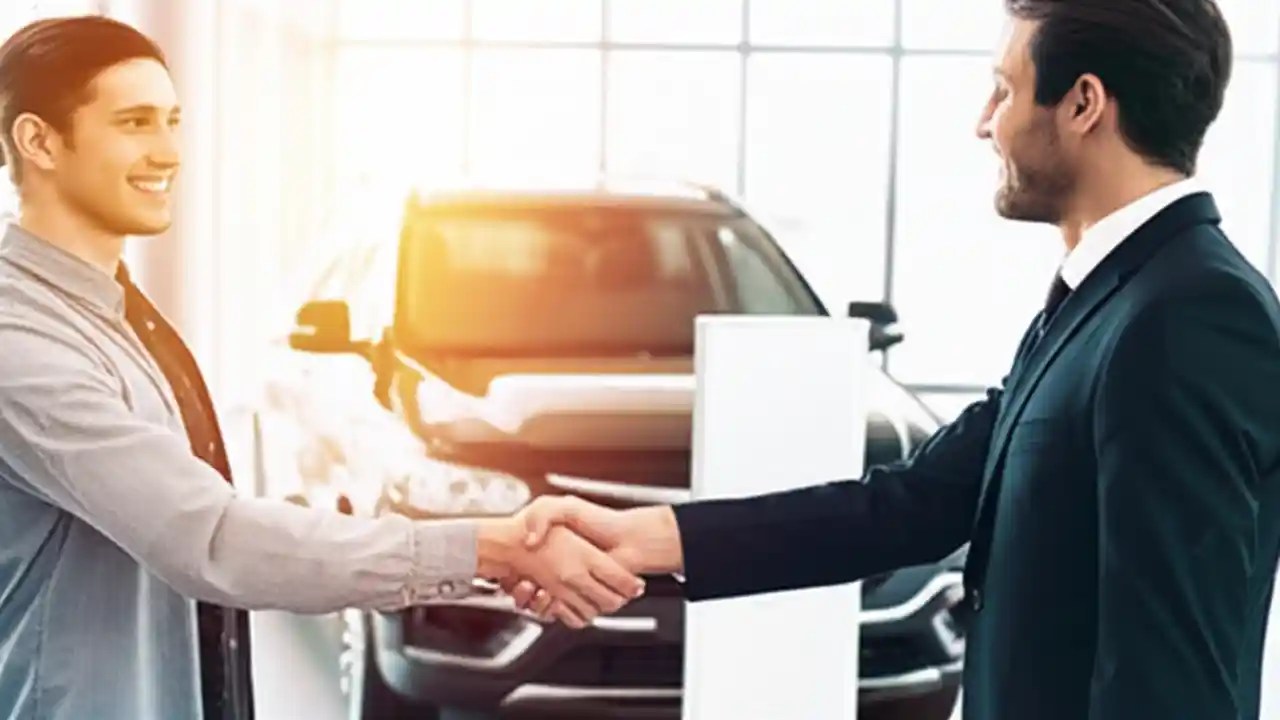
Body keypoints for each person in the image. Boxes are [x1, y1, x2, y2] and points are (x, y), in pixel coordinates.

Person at [513, 1, 1280, 718]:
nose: (984, 123)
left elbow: (1172, 673)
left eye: (1004, 89)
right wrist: (640, 536)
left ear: (1083, 104)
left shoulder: (1189, 316)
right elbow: (914, 503)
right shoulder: (1107, 302)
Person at [0, 16, 642, 720]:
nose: (169, 152)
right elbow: (214, 540)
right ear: (39, 142)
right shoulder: (21, 340)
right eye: (135, 123)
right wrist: (491, 547)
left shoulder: (110, 311)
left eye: (173, 121)